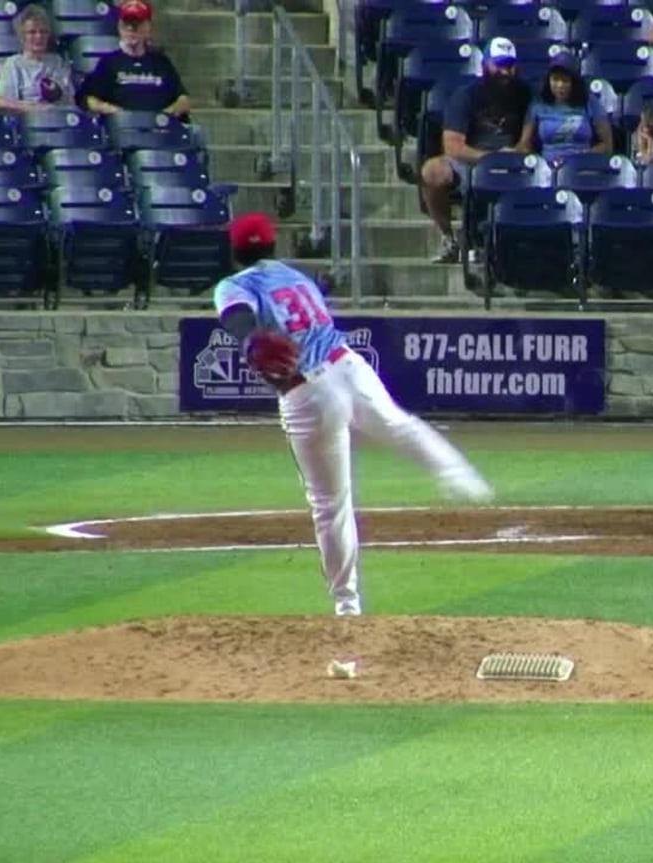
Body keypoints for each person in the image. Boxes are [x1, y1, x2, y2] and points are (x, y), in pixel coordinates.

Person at [212, 213, 495, 617]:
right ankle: (458, 474)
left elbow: (237, 316)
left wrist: (250, 339)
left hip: (308, 391)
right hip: (350, 366)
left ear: (235, 251)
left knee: (330, 504)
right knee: (400, 425)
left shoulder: (232, 284)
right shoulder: (296, 276)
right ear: (273, 245)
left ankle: (347, 604)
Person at [419, 37, 533, 265]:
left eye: (509, 65)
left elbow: (527, 140)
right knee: (433, 171)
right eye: (499, 64)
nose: (505, 71)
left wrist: (514, 155)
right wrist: (490, 158)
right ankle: (449, 238)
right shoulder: (466, 96)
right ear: (485, 64)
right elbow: (453, 146)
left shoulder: (524, 95)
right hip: (471, 160)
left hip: (512, 163)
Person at [78, 0, 191, 117]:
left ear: (148, 27)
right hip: (123, 126)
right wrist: (116, 112)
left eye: (136, 24)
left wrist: (167, 114)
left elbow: (183, 99)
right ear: (119, 26)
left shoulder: (161, 62)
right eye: (126, 23)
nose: (131, 28)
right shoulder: (109, 63)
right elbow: (90, 100)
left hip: (159, 126)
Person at [514, 60, 614, 165]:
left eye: (565, 81)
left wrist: (585, 156)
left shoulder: (590, 102)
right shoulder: (538, 104)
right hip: (547, 166)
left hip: (582, 166)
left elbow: (607, 145)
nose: (560, 85)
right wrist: (516, 151)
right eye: (555, 79)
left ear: (574, 82)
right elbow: (525, 143)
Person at [0, 4, 76, 113]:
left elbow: (69, 100)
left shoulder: (57, 62)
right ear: (22, 36)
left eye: (43, 32)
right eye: (32, 32)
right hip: (28, 118)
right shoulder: (14, 64)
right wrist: (32, 108)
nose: (39, 36)